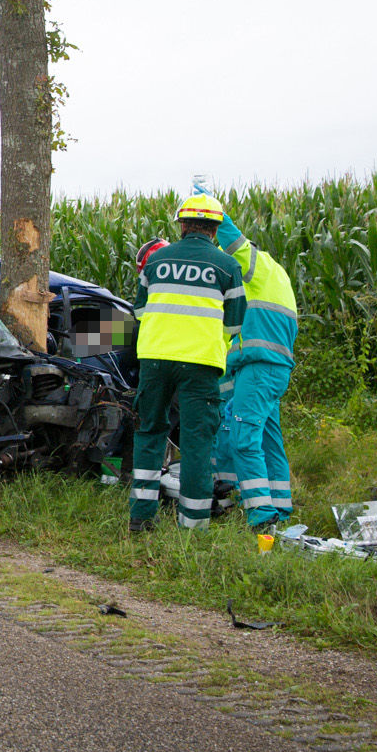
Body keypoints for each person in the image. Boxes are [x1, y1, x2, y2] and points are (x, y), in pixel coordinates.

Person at [128, 196, 246, 532]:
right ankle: (193, 524)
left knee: (150, 432)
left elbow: (139, 311)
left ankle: (140, 518)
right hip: (200, 363)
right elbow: (235, 324)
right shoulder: (227, 266)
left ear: (182, 224)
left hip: (154, 359)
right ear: (215, 228)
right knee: (197, 441)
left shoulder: (156, 261)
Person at [211, 204, 299, 530]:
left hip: (259, 369)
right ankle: (280, 510)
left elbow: (233, 241)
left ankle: (262, 518)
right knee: (268, 441)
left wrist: (211, 208)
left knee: (243, 440)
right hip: (273, 370)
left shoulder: (255, 266)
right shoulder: (277, 277)